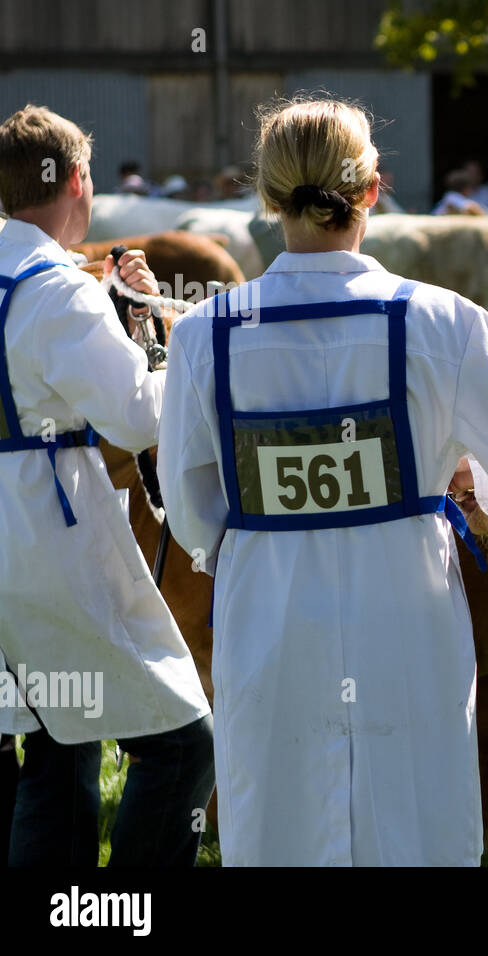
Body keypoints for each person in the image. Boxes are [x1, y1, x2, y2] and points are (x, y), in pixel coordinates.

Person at [156, 96, 488, 866]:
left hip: (269, 619)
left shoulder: (202, 333)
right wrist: (478, 490)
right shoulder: (444, 321)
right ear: (372, 188)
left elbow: (190, 513)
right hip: (407, 621)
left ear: (268, 195)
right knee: (415, 824)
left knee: (279, 828)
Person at [0, 105, 214, 866]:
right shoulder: (59, 288)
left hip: (14, 534)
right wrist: (175, 345)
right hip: (48, 539)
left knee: (61, 742)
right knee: (183, 744)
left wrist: (123, 325)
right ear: (78, 181)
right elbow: (133, 417)